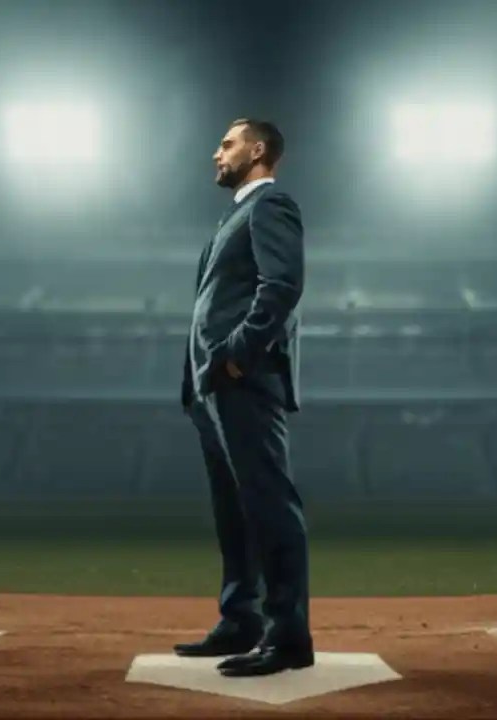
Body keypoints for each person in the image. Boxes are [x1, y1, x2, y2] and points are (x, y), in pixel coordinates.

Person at [174, 117, 311, 677]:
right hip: (212, 385)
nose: (216, 153)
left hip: (243, 377)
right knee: (233, 510)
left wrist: (236, 353)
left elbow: (281, 285)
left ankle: (288, 635)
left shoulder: (269, 206)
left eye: (227, 144)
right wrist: (202, 374)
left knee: (268, 504)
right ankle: (241, 620)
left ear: (258, 151)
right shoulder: (233, 216)